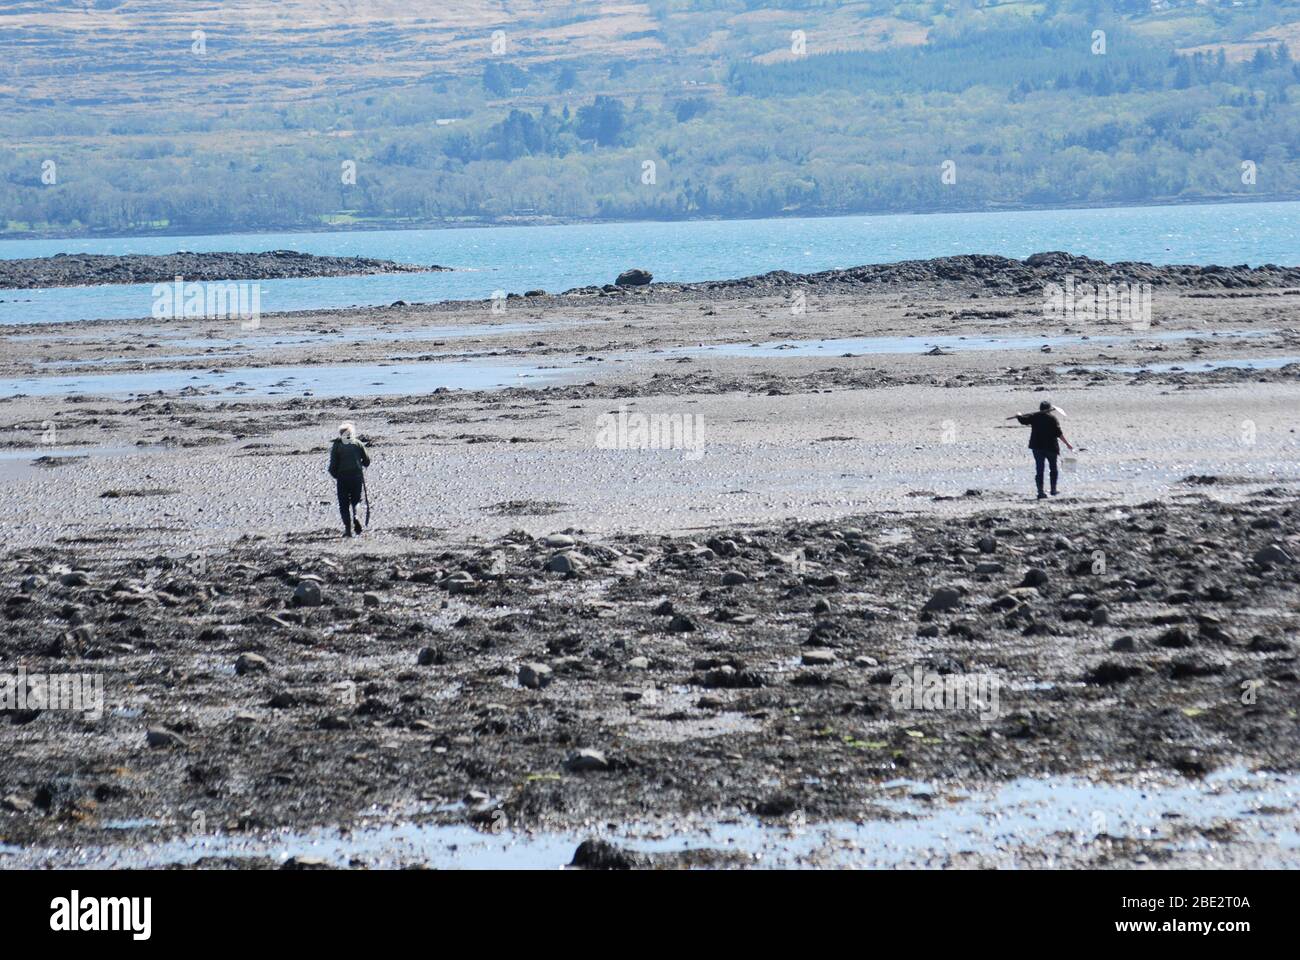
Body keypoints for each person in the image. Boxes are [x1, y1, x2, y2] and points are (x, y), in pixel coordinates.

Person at [1007, 400, 1073, 499]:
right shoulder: (1052, 419)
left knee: (1039, 470)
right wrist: (1067, 444)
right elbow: (1058, 433)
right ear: (1049, 409)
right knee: (1053, 469)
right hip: (1051, 447)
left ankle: (1040, 492)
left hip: (1037, 447)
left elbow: (1023, 421)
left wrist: (1018, 415)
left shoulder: (1034, 417)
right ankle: (1053, 490)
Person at [328, 421, 370, 537]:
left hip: (343, 478)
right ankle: (356, 516)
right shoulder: (358, 443)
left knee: (344, 504)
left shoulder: (337, 445)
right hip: (356, 477)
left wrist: (337, 476)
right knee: (356, 501)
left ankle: (347, 529)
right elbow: (367, 461)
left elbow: (332, 467)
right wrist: (361, 464)